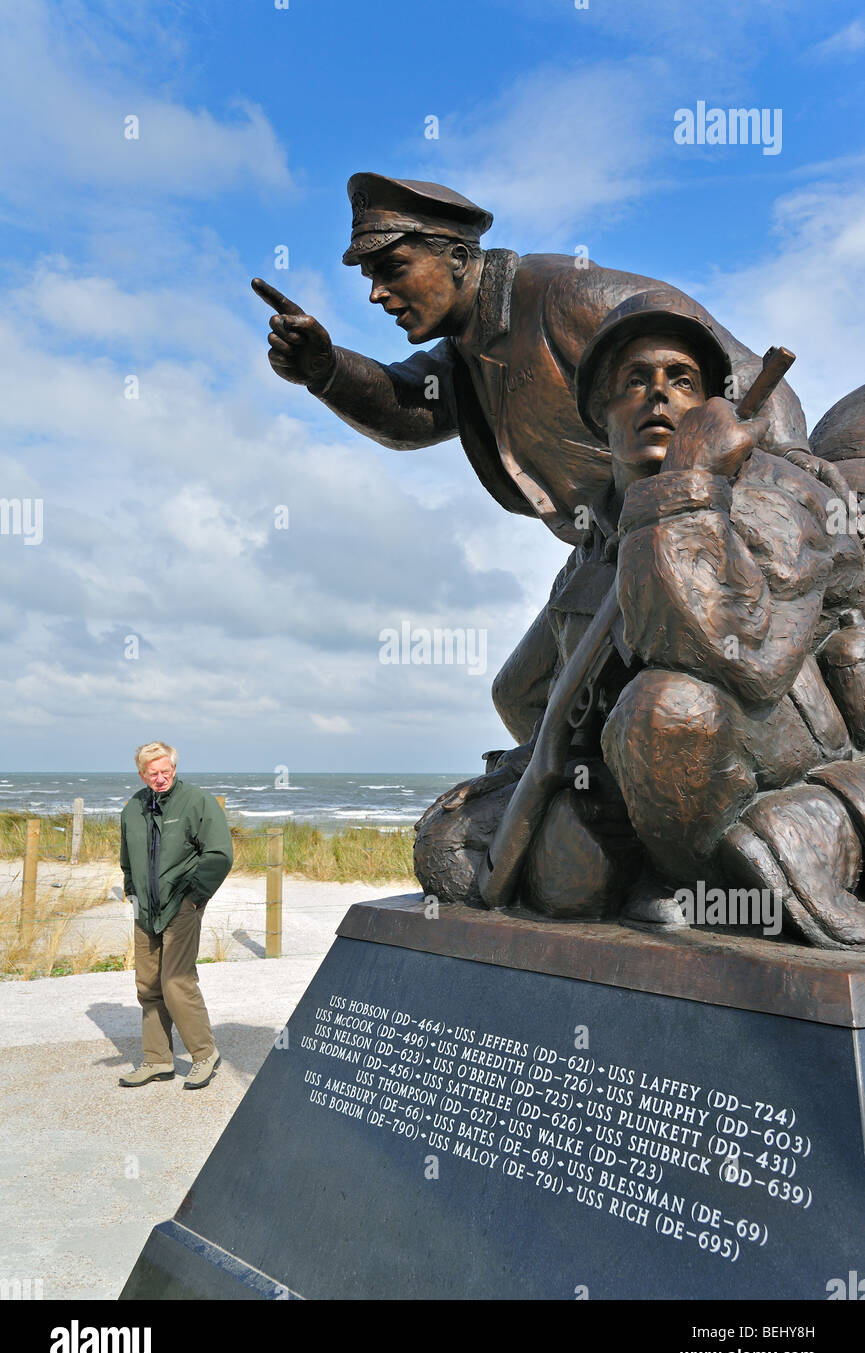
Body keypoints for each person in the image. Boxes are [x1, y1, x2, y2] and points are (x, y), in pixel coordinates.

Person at [252, 173, 820, 754]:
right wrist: (324, 370)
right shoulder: (465, 351)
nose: (378, 295)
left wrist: (790, 477)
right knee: (522, 697)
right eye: (371, 278)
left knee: (661, 700)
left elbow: (749, 377)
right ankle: (598, 814)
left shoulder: (563, 295)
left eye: (392, 270)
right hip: (607, 546)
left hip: (690, 525)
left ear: (454, 257)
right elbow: (406, 410)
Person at [415, 290, 865, 948]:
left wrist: (687, 483)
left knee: (668, 706)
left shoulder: (779, 502)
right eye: (634, 381)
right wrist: (547, 768)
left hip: (769, 766)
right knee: (466, 855)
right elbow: (521, 691)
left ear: (713, 408)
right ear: (601, 416)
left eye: (680, 380)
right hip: (651, 781)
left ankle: (696, 883)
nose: (657, 396)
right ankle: (653, 846)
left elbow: (726, 654)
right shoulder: (597, 533)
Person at [118, 742, 233, 1087]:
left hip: (182, 905)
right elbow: (127, 861)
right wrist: (133, 893)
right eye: (153, 772)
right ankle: (157, 1060)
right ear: (142, 774)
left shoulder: (197, 801)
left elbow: (219, 855)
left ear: (174, 768)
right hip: (145, 910)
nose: (161, 777)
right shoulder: (131, 809)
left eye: (166, 770)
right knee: (148, 984)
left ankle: (204, 1054)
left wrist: (194, 898)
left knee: (175, 981)